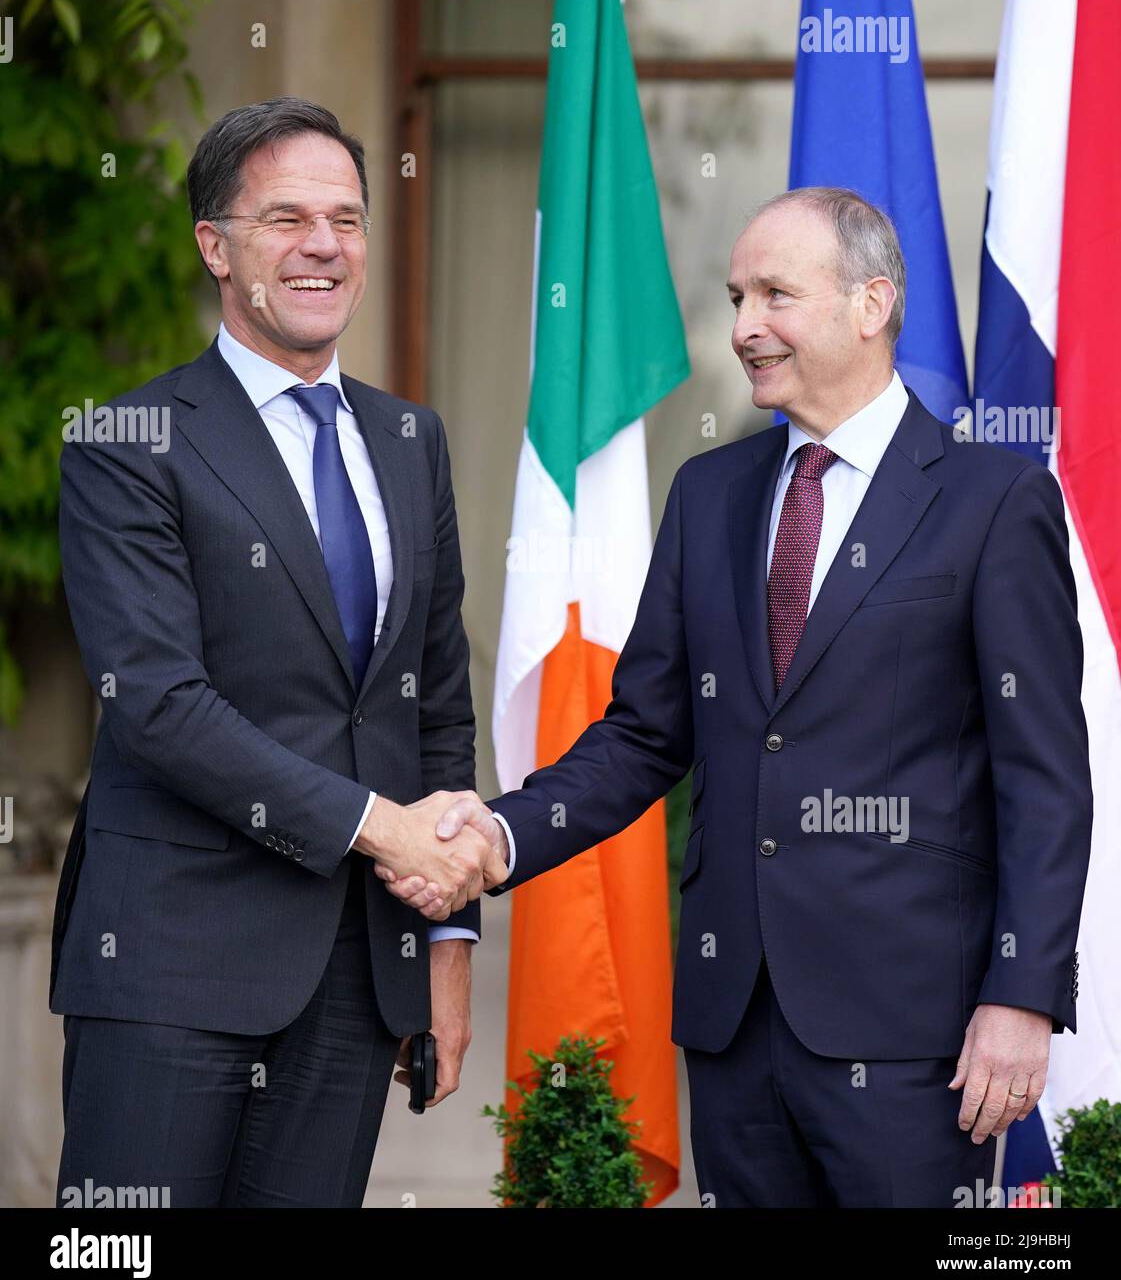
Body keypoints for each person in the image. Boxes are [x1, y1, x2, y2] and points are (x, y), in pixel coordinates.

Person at [382, 187, 1092, 1208]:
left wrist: (1020, 996)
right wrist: (498, 835)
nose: (743, 327)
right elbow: (641, 734)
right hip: (732, 1030)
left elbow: (1044, 782)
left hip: (912, 1040)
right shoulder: (708, 495)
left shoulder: (991, 500)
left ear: (870, 303)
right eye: (733, 297)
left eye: (773, 294)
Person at [51, 96, 506, 1208]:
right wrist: (380, 827)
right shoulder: (129, 442)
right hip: (169, 966)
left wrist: (445, 944)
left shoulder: (411, 439)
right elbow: (157, 705)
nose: (324, 245)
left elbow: (434, 702)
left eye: (346, 218)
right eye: (287, 217)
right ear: (216, 245)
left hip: (354, 980)